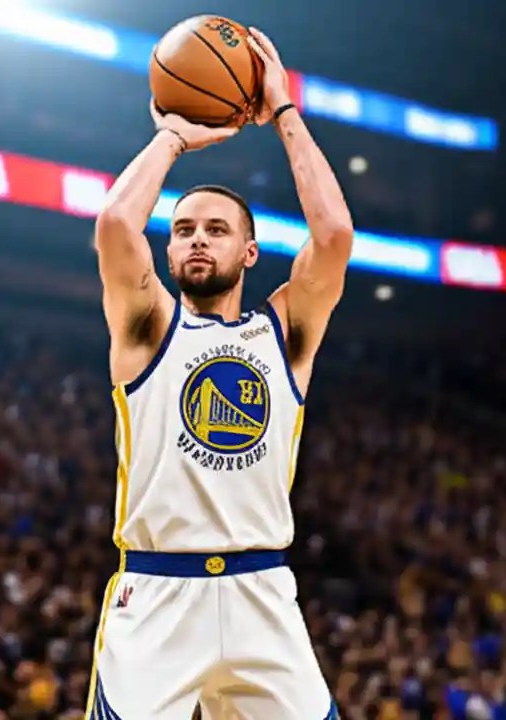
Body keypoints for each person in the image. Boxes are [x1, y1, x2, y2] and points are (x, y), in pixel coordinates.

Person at [87, 27, 354, 720]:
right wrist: (172, 139)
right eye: (183, 230)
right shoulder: (148, 326)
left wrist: (284, 110)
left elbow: (333, 237)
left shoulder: (284, 333)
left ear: (250, 251)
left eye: (215, 228)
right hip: (159, 592)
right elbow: (116, 225)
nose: (197, 238)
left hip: (262, 590)